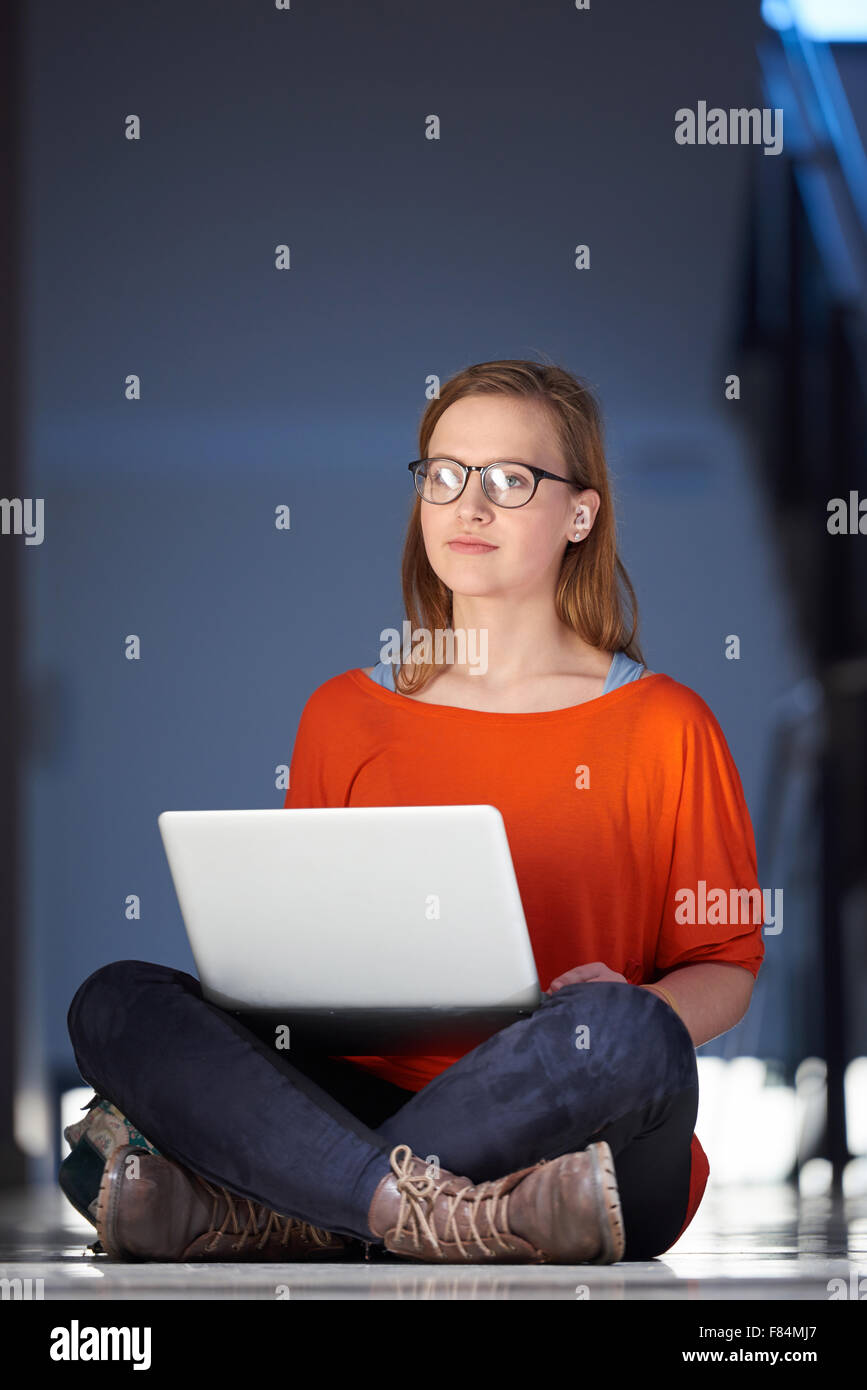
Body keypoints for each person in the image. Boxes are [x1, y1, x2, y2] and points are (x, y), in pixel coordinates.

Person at [63, 358, 764, 1264]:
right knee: (116, 1002)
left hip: (571, 1119)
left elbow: (726, 968)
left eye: (511, 481)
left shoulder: (667, 722)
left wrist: (637, 1003)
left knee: (634, 1035)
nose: (468, 506)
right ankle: (418, 1212)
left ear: (579, 515)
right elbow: (295, 960)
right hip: (354, 1099)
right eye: (444, 475)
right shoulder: (342, 713)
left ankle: (292, 1207)